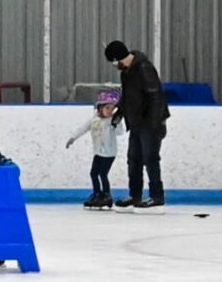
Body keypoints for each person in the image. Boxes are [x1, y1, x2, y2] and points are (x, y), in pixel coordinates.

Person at [105, 40, 169, 207]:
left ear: (117, 58)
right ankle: (135, 195)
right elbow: (127, 97)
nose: (114, 65)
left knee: (150, 159)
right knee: (133, 160)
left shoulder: (144, 68)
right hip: (136, 123)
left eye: (113, 62)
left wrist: (154, 124)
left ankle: (157, 196)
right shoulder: (126, 72)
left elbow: (156, 96)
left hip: (151, 123)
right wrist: (119, 112)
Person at [66, 90, 124, 209]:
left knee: (103, 174)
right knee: (93, 173)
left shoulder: (112, 120)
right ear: (99, 107)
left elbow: (120, 133)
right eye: (107, 108)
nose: (110, 111)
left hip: (109, 153)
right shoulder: (94, 119)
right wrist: (73, 138)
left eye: (112, 109)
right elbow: (83, 128)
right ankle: (97, 194)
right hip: (98, 153)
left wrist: (116, 124)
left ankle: (107, 195)